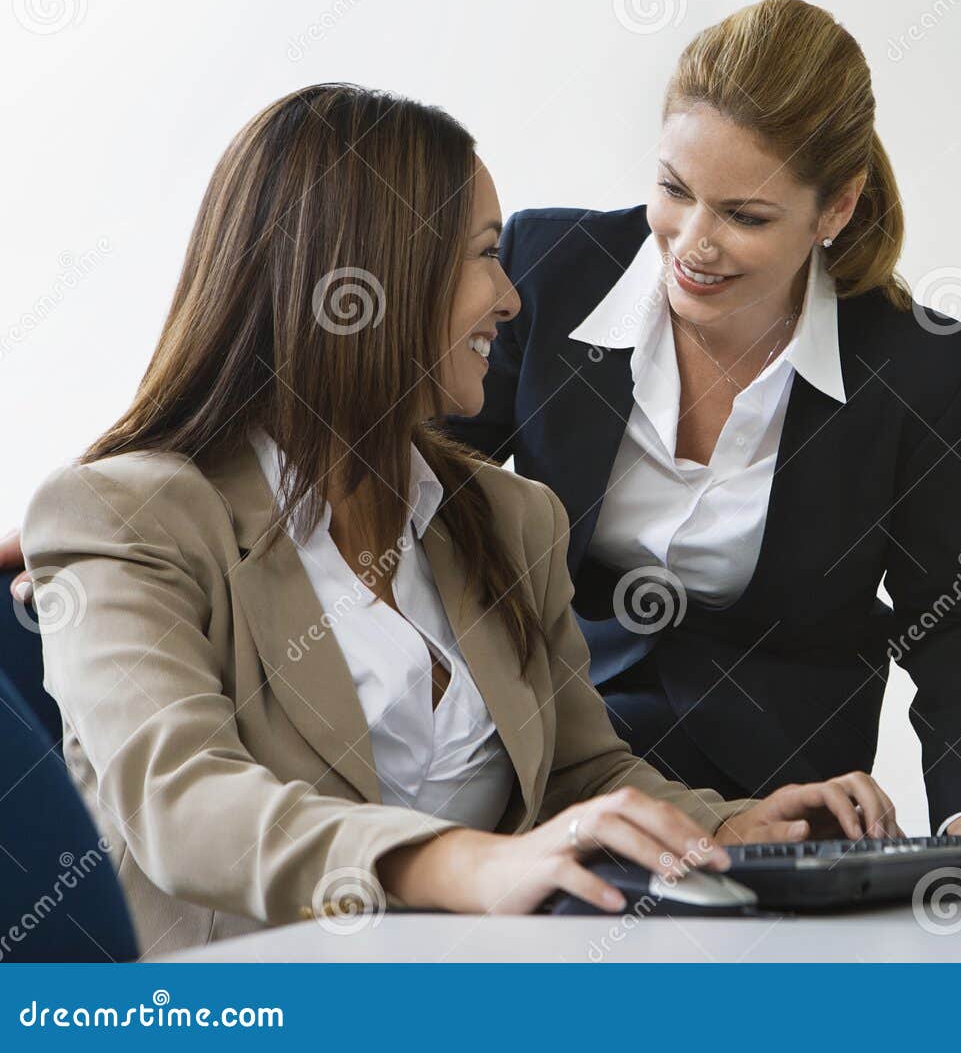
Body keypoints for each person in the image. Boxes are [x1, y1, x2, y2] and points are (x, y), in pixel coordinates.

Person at [15, 84, 906, 958]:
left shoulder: (508, 519)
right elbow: (183, 802)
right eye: (484, 254)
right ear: (371, 277)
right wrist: (465, 865)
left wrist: (732, 827)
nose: (512, 299)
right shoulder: (124, 518)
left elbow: (580, 773)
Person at [433, 0, 961, 860]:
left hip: (780, 798)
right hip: (557, 771)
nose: (692, 242)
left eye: (745, 215)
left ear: (834, 211)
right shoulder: (547, 270)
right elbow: (427, 495)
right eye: (674, 190)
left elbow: (947, 611)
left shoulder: (920, 369)